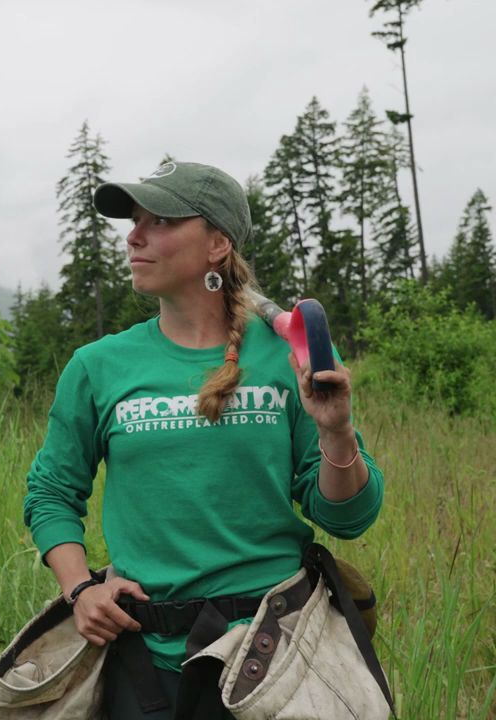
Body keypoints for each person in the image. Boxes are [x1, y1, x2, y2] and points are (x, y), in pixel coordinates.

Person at [22, 161, 384, 718]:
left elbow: (346, 517)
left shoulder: (288, 356)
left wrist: (336, 430)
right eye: (134, 221)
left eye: (160, 220)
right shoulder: (98, 366)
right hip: (143, 660)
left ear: (218, 244)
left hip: (277, 655)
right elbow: (51, 493)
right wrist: (80, 590)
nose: (134, 235)